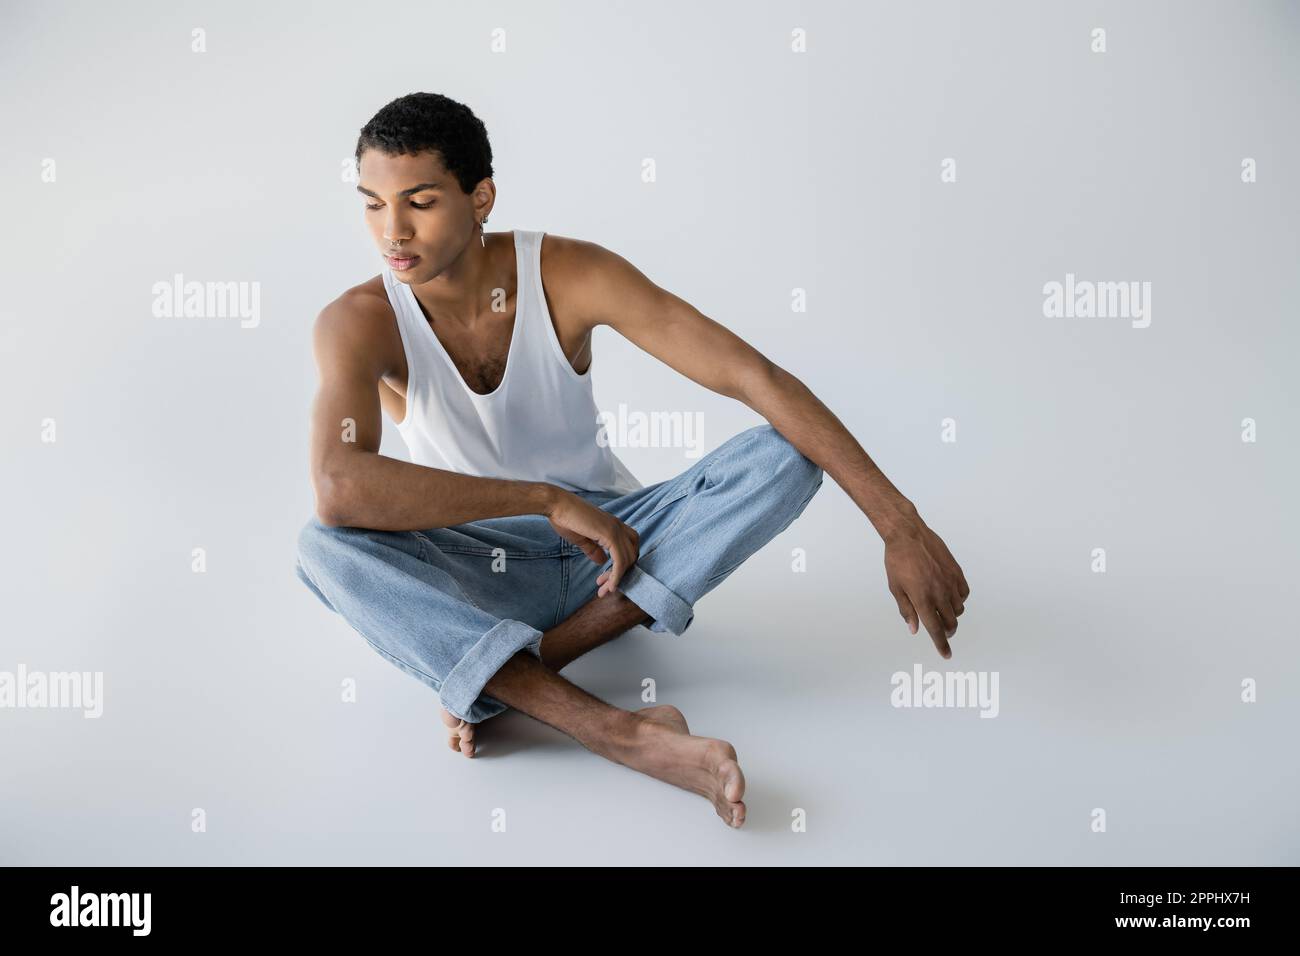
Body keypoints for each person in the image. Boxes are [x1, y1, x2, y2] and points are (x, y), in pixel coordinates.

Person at [294, 92, 969, 828]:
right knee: (324, 548)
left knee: (786, 454)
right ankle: (620, 731)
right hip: (474, 567)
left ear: (480, 196)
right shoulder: (358, 320)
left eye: (419, 202)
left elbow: (754, 378)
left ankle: (503, 677)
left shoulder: (568, 272)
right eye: (372, 204)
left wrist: (899, 525)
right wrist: (545, 501)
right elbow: (338, 485)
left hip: (616, 546)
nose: (392, 231)